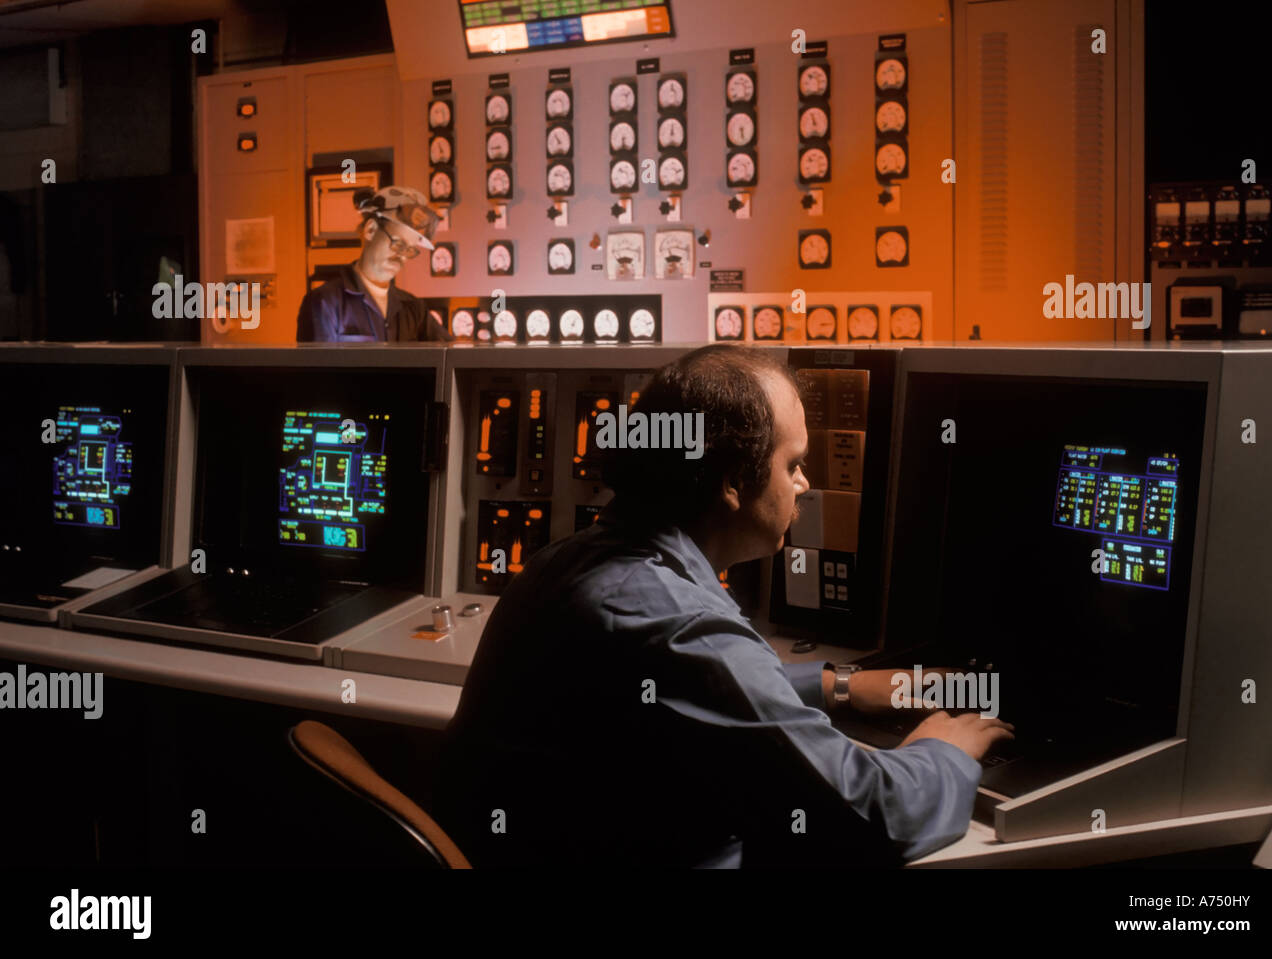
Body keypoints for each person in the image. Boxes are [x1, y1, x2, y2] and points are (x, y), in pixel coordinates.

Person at [434, 345, 1013, 868]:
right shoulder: (672, 624)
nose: (804, 484)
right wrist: (945, 748)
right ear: (734, 481)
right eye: (792, 464)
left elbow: (711, 686)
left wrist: (840, 686)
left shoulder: (568, 561)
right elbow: (879, 815)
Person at [296, 185, 452, 343]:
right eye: (398, 243)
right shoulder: (325, 303)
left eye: (410, 250)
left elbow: (452, 355)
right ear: (370, 230)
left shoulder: (413, 308)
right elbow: (318, 367)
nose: (402, 257)